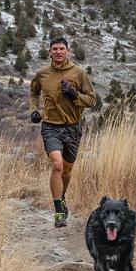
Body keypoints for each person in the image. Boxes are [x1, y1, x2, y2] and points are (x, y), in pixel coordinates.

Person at [29, 36, 98, 227]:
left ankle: (62, 196)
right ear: (49, 52)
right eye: (55, 49)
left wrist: (74, 95)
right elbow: (33, 92)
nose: (58, 52)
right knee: (57, 165)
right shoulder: (42, 74)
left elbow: (92, 100)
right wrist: (34, 110)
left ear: (68, 51)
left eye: (62, 48)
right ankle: (59, 211)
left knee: (67, 171)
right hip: (51, 127)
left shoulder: (79, 73)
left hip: (73, 127)